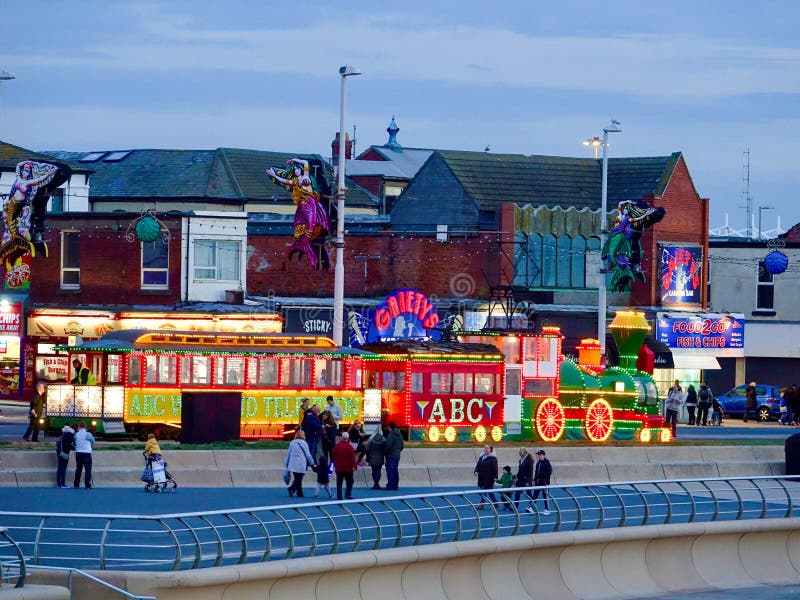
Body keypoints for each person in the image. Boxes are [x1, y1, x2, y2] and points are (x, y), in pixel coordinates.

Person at [265, 157, 331, 270]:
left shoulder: (306, 176)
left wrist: (294, 160)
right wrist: (273, 175)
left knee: (312, 224)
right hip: (302, 206)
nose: (296, 171)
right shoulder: (295, 182)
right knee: (303, 226)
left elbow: (305, 163)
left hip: (310, 203)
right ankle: (302, 244)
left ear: (301, 170)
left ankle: (305, 242)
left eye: (298, 169)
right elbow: (283, 181)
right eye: (294, 170)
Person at [285, 430, 315, 498]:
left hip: (293, 463)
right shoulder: (304, 443)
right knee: (299, 478)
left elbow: (288, 453)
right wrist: (312, 463)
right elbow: (308, 455)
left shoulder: (292, 443)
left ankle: (300, 493)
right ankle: (291, 488)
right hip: (301, 463)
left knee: (297, 478)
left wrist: (287, 462)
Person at [331, 431, 357, 500]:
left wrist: (334, 464)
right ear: (348, 438)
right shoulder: (349, 447)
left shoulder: (336, 446)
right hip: (348, 468)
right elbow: (352, 458)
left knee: (339, 483)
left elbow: (333, 457)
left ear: (341, 438)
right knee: (350, 481)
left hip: (339, 468)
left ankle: (339, 496)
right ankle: (348, 494)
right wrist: (355, 466)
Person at [474, 444, 498, 510]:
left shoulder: (493, 458)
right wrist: (476, 471)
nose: (485, 449)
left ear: (491, 450)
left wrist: (495, 476)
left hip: (489, 478)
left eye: (487, 448)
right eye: (485, 448)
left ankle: (481, 504)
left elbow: (495, 468)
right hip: (481, 477)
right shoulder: (481, 457)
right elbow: (478, 465)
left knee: (484, 491)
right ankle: (495, 503)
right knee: (490, 491)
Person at [73, 421, 95, 489]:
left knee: (78, 469)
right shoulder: (88, 434)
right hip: (86, 453)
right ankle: (87, 485)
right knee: (88, 469)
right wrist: (90, 446)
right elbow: (93, 441)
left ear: (79, 426)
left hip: (78, 453)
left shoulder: (76, 434)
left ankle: (76, 484)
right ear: (85, 427)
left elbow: (74, 442)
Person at [531, 449, 553, 515]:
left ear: (543, 455)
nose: (539, 456)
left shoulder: (547, 462)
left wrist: (544, 478)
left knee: (545, 496)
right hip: (538, 482)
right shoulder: (538, 463)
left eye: (540, 455)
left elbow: (549, 472)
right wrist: (534, 480)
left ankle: (547, 509)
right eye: (538, 455)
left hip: (545, 482)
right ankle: (532, 508)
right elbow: (536, 472)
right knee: (535, 495)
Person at [383, 422, 404, 491]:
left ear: (390, 427)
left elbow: (388, 445)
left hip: (390, 455)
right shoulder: (400, 434)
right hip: (397, 455)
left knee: (390, 471)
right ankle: (395, 485)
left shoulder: (390, 435)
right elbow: (402, 446)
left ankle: (390, 485)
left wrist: (385, 452)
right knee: (395, 470)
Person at [55, 423, 75, 489]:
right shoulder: (70, 434)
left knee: (59, 468)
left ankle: (58, 484)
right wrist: (75, 448)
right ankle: (63, 483)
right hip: (64, 453)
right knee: (63, 468)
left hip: (59, 451)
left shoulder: (64, 433)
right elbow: (69, 444)